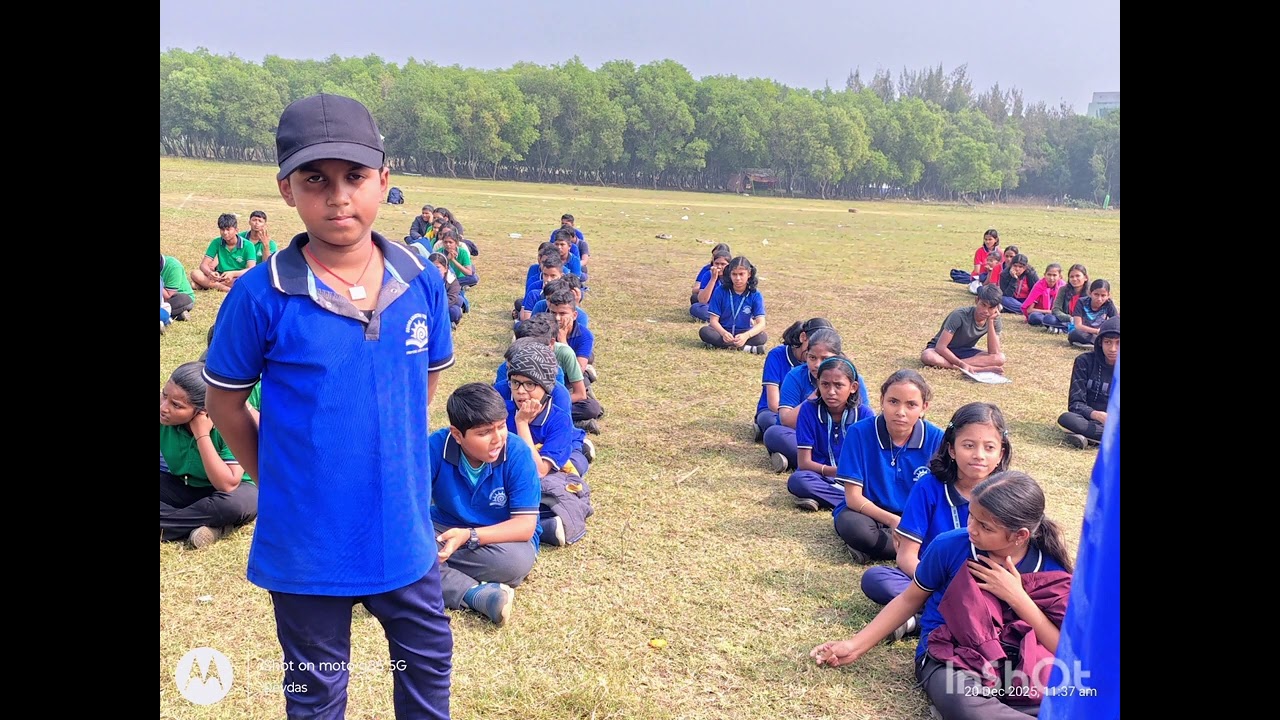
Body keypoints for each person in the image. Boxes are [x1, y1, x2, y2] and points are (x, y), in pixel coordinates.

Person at [203, 93, 454, 720]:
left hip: (402, 531)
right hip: (308, 543)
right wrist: (282, 482)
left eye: (355, 177)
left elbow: (421, 387)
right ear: (288, 189)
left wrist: (392, 460)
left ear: (384, 181)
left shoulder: (420, 280)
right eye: (317, 179)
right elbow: (226, 405)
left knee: (423, 663)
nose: (338, 196)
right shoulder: (261, 296)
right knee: (317, 690)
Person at [811, 471, 1074, 720]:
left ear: (1020, 536)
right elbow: (909, 599)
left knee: (1078, 695)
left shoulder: (1050, 566)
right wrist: (855, 646)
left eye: (985, 526)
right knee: (965, 704)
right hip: (952, 656)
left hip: (1021, 661)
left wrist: (1017, 597)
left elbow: (1062, 648)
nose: (972, 528)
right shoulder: (950, 545)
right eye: (971, 516)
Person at [861, 402, 1012, 626]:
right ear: (951, 449)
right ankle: (952, 616)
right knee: (877, 579)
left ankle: (919, 621)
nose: (979, 455)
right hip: (930, 580)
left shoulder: (1008, 493)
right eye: (969, 445)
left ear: (1001, 454)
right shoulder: (928, 487)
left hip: (985, 588)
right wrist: (938, 585)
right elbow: (906, 556)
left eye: (989, 448)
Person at [429, 383, 541, 625]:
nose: (497, 438)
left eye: (501, 427)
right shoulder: (436, 447)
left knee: (515, 563)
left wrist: (468, 536)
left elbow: (524, 526)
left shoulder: (517, 452)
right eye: (484, 433)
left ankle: (428, 571)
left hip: (501, 540)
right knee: (401, 544)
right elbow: (410, 506)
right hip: (444, 527)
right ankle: (474, 594)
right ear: (457, 435)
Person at [832, 370, 944, 563]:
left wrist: (909, 524)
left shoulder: (936, 438)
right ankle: (909, 548)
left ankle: (881, 549)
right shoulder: (859, 432)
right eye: (893, 401)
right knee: (855, 528)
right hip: (868, 512)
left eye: (911, 405)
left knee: (943, 533)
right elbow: (853, 498)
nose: (901, 412)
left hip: (915, 518)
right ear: (882, 400)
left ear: (924, 407)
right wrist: (893, 521)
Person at [160, 361, 258, 548]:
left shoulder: (228, 424)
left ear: (202, 410)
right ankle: (213, 527)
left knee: (232, 506)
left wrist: (202, 434)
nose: (164, 407)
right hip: (186, 484)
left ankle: (178, 524)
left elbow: (228, 484)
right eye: (164, 395)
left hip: (234, 492)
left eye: (176, 405)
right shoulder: (163, 414)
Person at [786, 357, 873, 511]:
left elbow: (870, 463)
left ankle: (831, 499)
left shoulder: (864, 414)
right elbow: (804, 463)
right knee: (798, 480)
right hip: (819, 475)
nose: (831, 392)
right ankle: (856, 503)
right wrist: (835, 472)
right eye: (825, 384)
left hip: (855, 479)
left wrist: (848, 475)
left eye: (839, 385)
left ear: (853, 387)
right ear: (817, 385)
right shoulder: (808, 410)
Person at [753, 318, 831, 441]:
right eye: (813, 344)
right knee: (771, 422)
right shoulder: (777, 355)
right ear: (803, 337)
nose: (818, 362)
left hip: (809, 415)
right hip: (776, 412)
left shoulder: (826, 366)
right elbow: (773, 404)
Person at [1058, 317, 1119, 448]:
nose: (1113, 349)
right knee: (1067, 418)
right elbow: (1075, 404)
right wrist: (1097, 415)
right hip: (1089, 419)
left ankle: (1090, 438)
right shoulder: (1084, 362)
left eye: (1118, 343)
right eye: (1108, 342)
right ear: (1100, 343)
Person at [921, 285, 1005, 374]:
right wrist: (961, 364)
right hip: (941, 350)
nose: (986, 311)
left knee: (1000, 358)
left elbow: (994, 352)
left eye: (991, 308)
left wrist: (991, 322)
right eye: (983, 305)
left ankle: (954, 365)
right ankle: (974, 368)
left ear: (997, 308)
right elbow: (940, 347)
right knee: (928, 356)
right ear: (977, 301)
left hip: (964, 351)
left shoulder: (994, 319)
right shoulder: (960, 315)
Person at [699, 256, 767, 352]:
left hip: (743, 333)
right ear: (729, 275)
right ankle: (744, 348)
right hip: (722, 331)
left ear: (749, 274)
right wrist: (723, 333)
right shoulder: (721, 291)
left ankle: (721, 345)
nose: (738, 278)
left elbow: (761, 323)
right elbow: (713, 321)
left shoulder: (755, 294)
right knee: (705, 332)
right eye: (734, 274)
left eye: (741, 274)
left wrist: (746, 336)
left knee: (762, 337)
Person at [190, 213, 256, 291]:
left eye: (228, 229)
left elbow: (251, 269)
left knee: (248, 282)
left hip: (237, 276)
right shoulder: (216, 242)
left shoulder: (248, 245)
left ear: (236, 230)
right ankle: (223, 288)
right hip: (220, 276)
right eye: (222, 229)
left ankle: (206, 285)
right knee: (195, 273)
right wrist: (210, 273)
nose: (225, 232)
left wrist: (233, 273)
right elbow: (203, 265)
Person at [1068, 279, 1118, 348]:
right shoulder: (1081, 302)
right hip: (1085, 332)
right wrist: (1096, 331)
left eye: (1103, 295)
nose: (1099, 299)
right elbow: (1078, 326)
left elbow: (1116, 323)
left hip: (1102, 334)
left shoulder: (1109, 304)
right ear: (1090, 293)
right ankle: (1100, 343)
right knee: (1074, 334)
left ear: (1108, 295)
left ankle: (1098, 343)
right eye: (1096, 294)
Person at [1043, 263, 1089, 334]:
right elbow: (1055, 309)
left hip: (1084, 322)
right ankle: (1069, 329)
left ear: (1085, 277)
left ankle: (1063, 330)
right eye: (1071, 277)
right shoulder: (1063, 289)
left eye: (1077, 276)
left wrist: (1078, 320)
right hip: (1067, 320)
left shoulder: (1091, 292)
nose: (1074, 279)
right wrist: (1069, 318)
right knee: (1048, 319)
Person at [690, 247, 731, 322]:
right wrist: (713, 279)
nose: (719, 267)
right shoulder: (708, 274)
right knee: (695, 308)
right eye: (717, 264)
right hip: (712, 308)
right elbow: (702, 300)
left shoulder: (732, 276)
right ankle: (723, 319)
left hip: (730, 308)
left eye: (723, 264)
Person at [427, 252, 464, 328]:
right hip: (428, 308)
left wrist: (435, 307)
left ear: (445, 268)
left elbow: (451, 299)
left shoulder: (452, 281)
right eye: (431, 267)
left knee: (455, 310)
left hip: (442, 307)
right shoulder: (424, 280)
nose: (434, 271)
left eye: (437, 267)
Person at [160, 254, 195, 321]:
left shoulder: (174, 266)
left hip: (176, 298)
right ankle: (178, 314)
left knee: (182, 299)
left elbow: (168, 296)